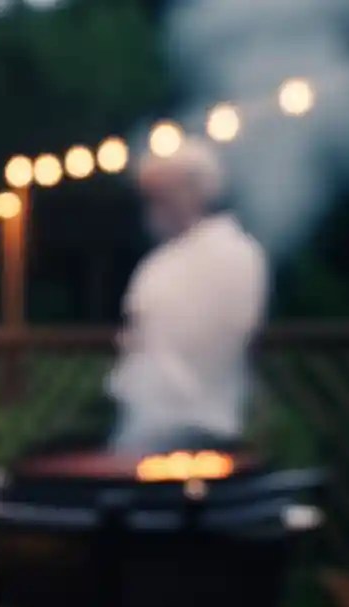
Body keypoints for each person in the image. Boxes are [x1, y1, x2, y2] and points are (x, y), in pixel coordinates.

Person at [107, 138, 268, 456]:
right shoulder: (161, 263)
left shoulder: (233, 255)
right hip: (146, 417)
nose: (154, 210)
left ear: (195, 191)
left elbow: (226, 332)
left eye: (162, 196)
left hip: (193, 420)